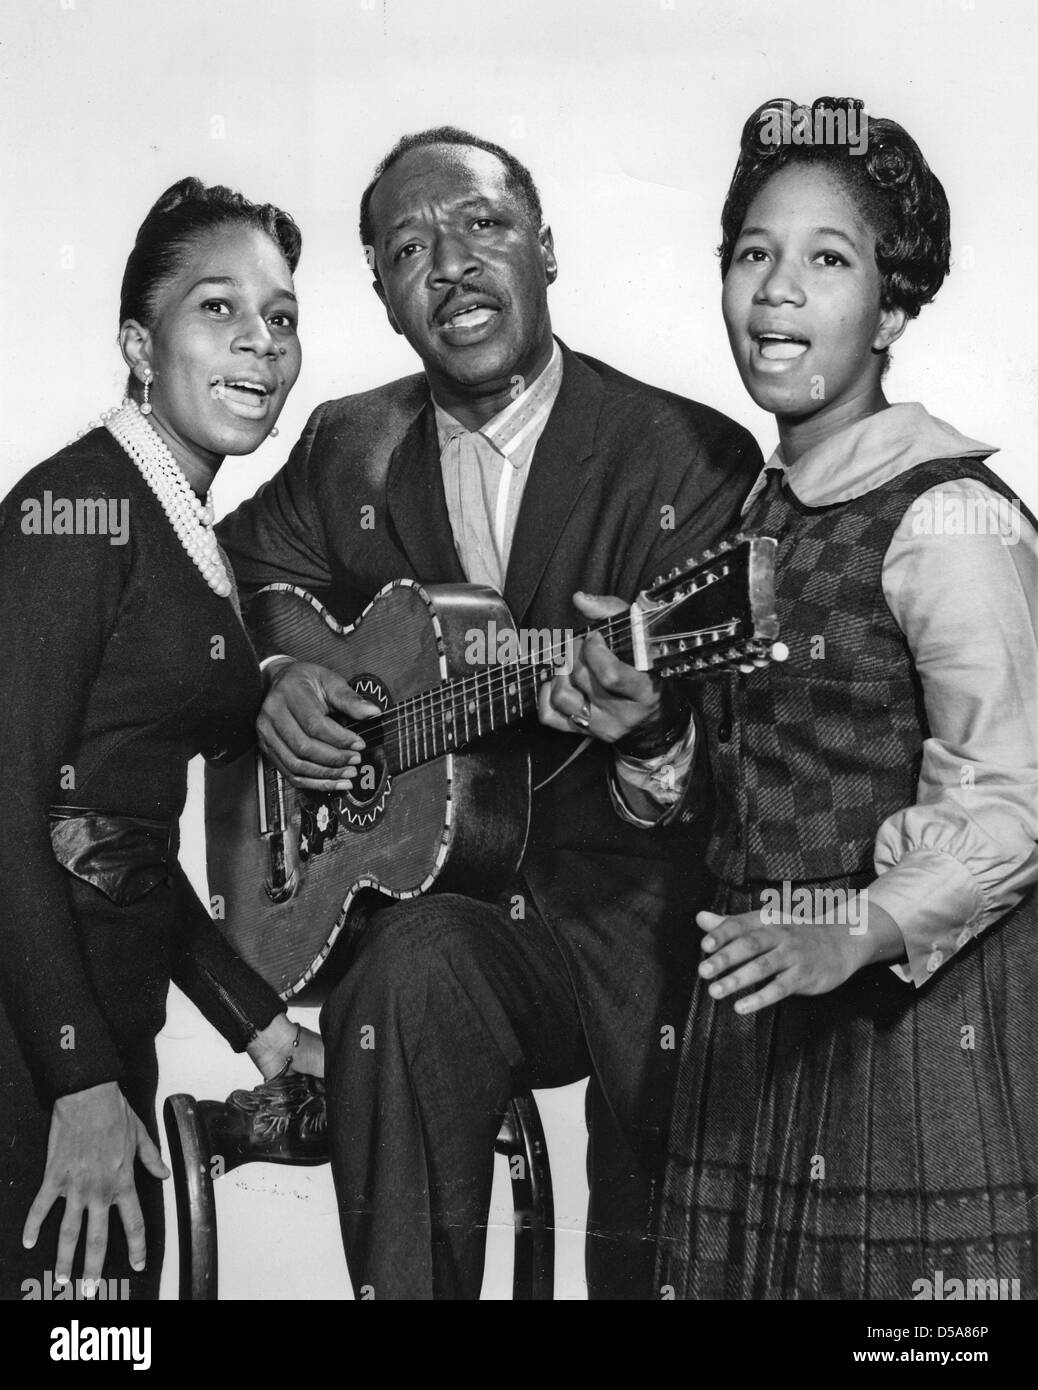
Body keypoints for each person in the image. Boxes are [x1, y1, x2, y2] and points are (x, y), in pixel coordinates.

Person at [216, 126, 764, 1299]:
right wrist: (275, 675)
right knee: (402, 978)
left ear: (547, 248)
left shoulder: (683, 457)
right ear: (383, 295)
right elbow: (218, 577)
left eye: (482, 226)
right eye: (411, 247)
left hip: (637, 931)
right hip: (462, 921)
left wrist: (653, 738)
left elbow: (744, 771)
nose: (452, 264)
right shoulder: (349, 445)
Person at [644, 98, 1038, 1299]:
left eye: (828, 259)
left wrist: (860, 927)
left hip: (913, 1028)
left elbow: (1017, 797)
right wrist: (648, 729)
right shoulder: (754, 510)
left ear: (896, 308)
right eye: (754, 254)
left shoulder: (950, 515)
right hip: (759, 1018)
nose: (777, 291)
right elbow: (741, 769)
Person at [0, 177, 324, 1302]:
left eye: (280, 317)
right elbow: (7, 811)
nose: (259, 343)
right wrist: (80, 1085)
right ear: (140, 343)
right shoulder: (72, 510)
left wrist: (261, 1026)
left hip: (90, 1039)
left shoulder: (176, 525)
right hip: (36, 1064)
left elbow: (115, 842)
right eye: (217, 308)